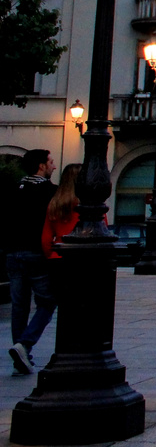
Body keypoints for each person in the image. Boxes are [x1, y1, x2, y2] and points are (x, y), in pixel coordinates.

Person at [5, 149, 58, 375]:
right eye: (51, 162)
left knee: (19, 306)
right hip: (36, 253)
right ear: (41, 165)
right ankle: (24, 345)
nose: (54, 166)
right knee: (47, 302)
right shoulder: (49, 191)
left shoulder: (12, 190)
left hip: (12, 253)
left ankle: (21, 354)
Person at [41, 163, 83, 260]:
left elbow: (46, 239)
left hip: (59, 253)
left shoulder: (55, 204)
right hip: (82, 255)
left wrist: (51, 255)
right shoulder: (91, 205)